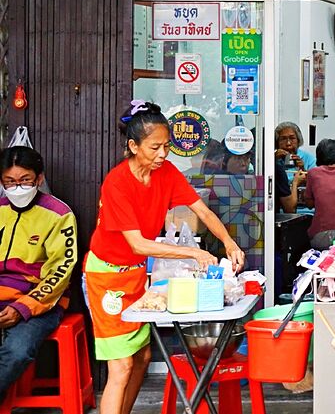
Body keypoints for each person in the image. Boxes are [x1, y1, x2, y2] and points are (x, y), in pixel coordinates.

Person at [85, 101, 246, 414]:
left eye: (167, 146)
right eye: (154, 147)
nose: (162, 154)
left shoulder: (166, 173)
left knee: (142, 359)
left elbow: (201, 210)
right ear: (132, 146)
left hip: (134, 276)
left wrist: (228, 242)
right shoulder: (117, 183)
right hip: (107, 278)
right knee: (120, 366)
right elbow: (139, 245)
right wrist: (193, 252)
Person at [0, 146, 77, 401]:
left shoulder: (58, 214)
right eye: (9, 182)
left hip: (40, 303)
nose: (17, 188)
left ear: (39, 179)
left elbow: (61, 272)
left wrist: (22, 308)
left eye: (25, 181)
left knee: (17, 351)